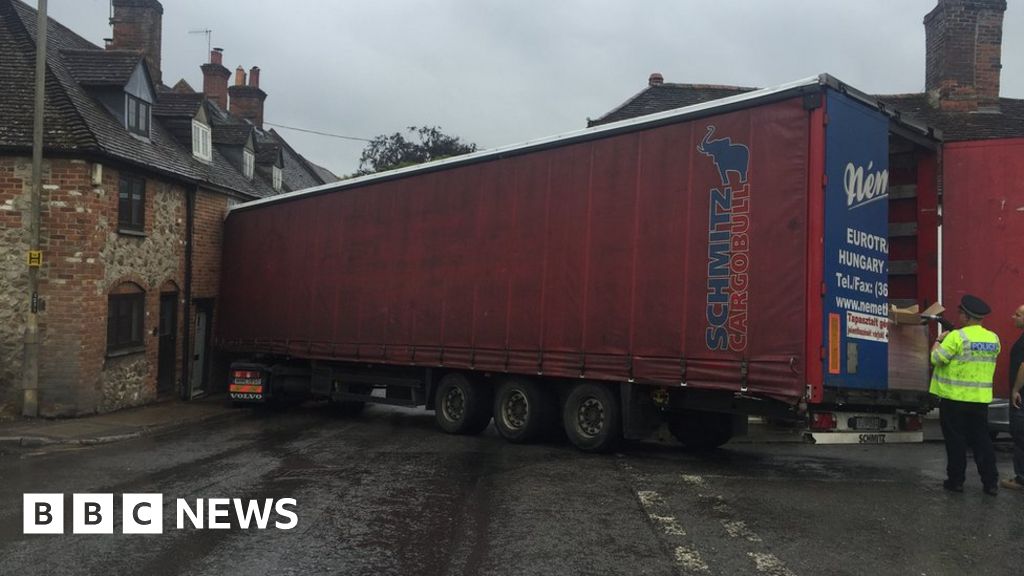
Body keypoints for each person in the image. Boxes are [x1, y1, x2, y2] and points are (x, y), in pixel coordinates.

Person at [930, 294, 1001, 495]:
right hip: (979, 400)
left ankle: (956, 481)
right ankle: (990, 483)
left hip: (954, 399)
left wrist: (938, 340)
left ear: (967, 316)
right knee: (982, 441)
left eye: (960, 313)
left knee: (956, 441)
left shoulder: (957, 337)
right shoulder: (993, 338)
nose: (958, 316)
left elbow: (936, 359)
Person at [1000, 305, 1024, 492]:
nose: (1013, 316)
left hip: (1021, 398)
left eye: (1018, 315)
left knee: (1020, 436)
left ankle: (1021, 478)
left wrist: (1016, 389)